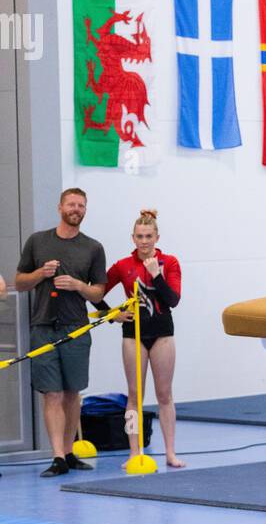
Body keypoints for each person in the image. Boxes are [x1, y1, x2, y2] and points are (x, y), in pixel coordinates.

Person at [15, 188, 107, 477]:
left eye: (81, 205)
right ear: (60, 207)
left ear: (85, 210)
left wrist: (79, 286)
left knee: (72, 394)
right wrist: (40, 274)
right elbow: (20, 283)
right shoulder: (37, 241)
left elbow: (98, 293)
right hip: (43, 327)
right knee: (51, 394)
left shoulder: (93, 248)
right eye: (71, 204)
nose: (75, 209)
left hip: (76, 329)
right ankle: (56, 456)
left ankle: (68, 452)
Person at [102, 209, 183, 469]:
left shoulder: (169, 262)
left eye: (149, 236)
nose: (144, 241)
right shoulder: (123, 266)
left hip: (161, 334)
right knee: (134, 395)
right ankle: (133, 451)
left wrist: (156, 275)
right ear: (133, 238)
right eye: (140, 236)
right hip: (133, 335)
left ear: (157, 237)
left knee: (164, 394)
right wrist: (111, 314)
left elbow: (173, 300)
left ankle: (170, 452)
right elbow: (96, 292)